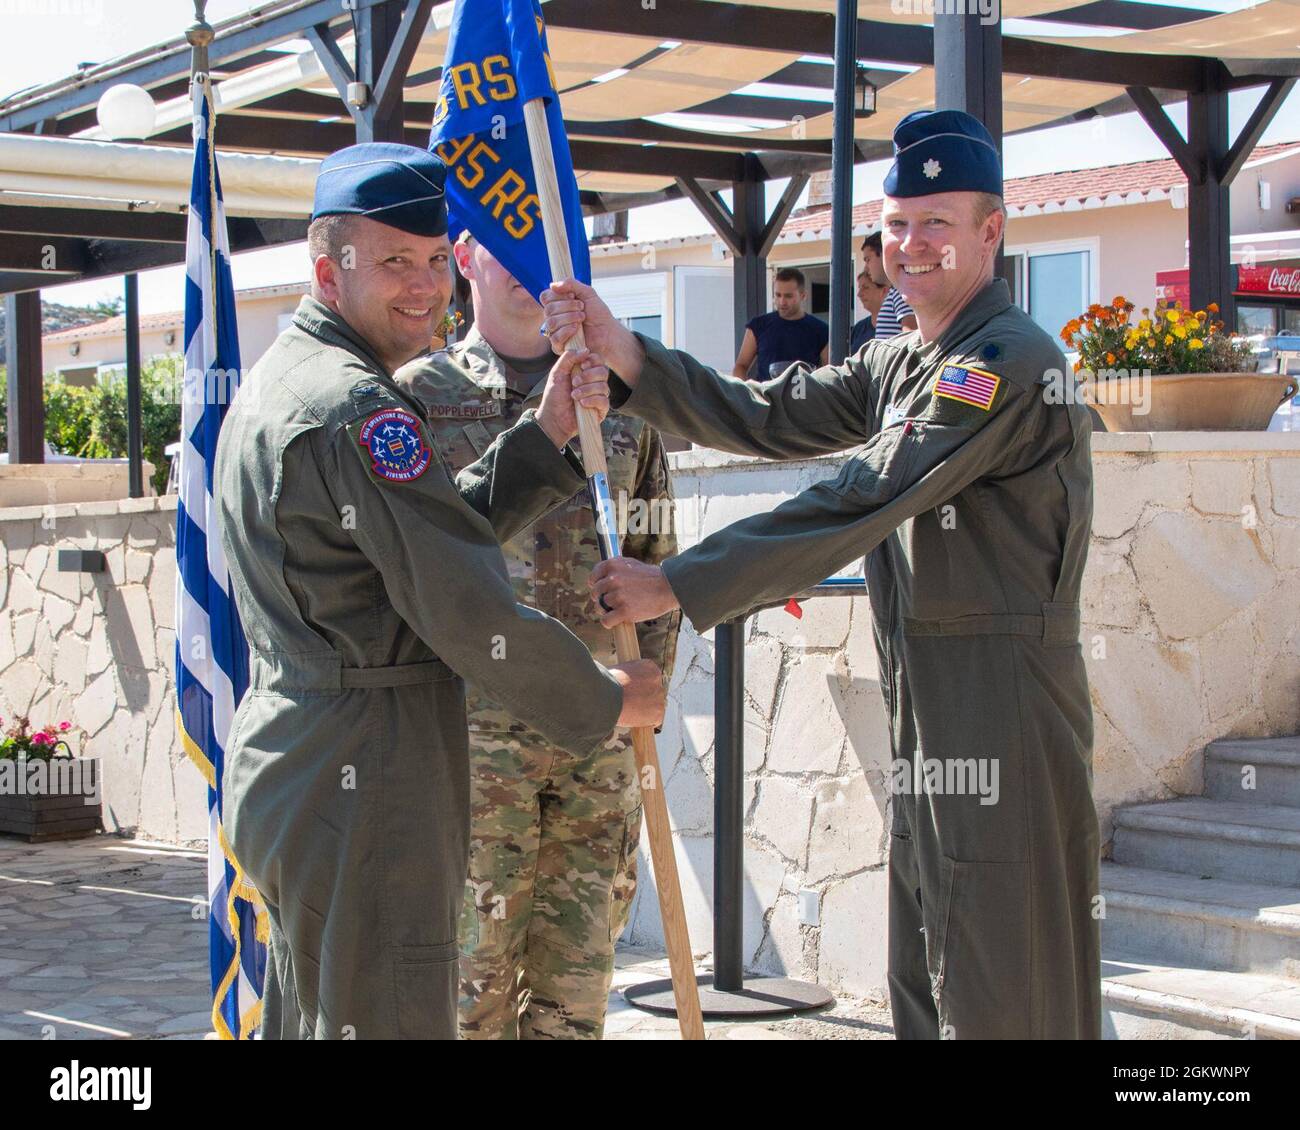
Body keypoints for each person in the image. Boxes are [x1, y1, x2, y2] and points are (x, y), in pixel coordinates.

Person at [542, 110, 1101, 1041]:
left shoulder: (1003, 362)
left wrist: (676, 582)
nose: (910, 244)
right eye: (897, 224)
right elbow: (770, 414)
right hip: (929, 684)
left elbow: (861, 495)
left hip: (1001, 694)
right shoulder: (907, 359)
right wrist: (628, 352)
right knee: (931, 949)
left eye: (937, 223)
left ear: (991, 233)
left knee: (1006, 953)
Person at [213, 143, 665, 1041]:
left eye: (429, 260)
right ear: (325, 268)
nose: (423, 287)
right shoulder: (358, 407)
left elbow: (423, 534)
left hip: (311, 752)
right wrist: (602, 697)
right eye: (392, 263)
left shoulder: (292, 375)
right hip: (366, 765)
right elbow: (461, 601)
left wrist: (539, 440)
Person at [395, 232, 680, 1040]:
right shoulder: (418, 398)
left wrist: (649, 696)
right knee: (467, 990)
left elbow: (659, 562)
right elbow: (408, 564)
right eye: (501, 246)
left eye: (541, 252)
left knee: (576, 994)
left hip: (599, 740)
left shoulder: (621, 404)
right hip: (473, 745)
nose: (526, 274)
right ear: (465, 255)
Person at [733, 266, 829, 379]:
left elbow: (830, 373)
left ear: (803, 296)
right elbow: (741, 366)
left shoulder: (821, 330)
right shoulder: (758, 326)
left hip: (805, 394)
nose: (782, 301)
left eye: (788, 296)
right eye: (778, 295)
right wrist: (745, 393)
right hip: (765, 395)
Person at [862, 230, 918, 337]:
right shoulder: (897, 290)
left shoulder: (901, 290)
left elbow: (912, 336)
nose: (865, 268)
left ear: (884, 255)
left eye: (868, 259)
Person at [849, 268, 877, 354]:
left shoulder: (897, 324)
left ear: (883, 290)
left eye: (865, 287)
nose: (859, 294)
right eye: (859, 288)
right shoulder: (859, 328)